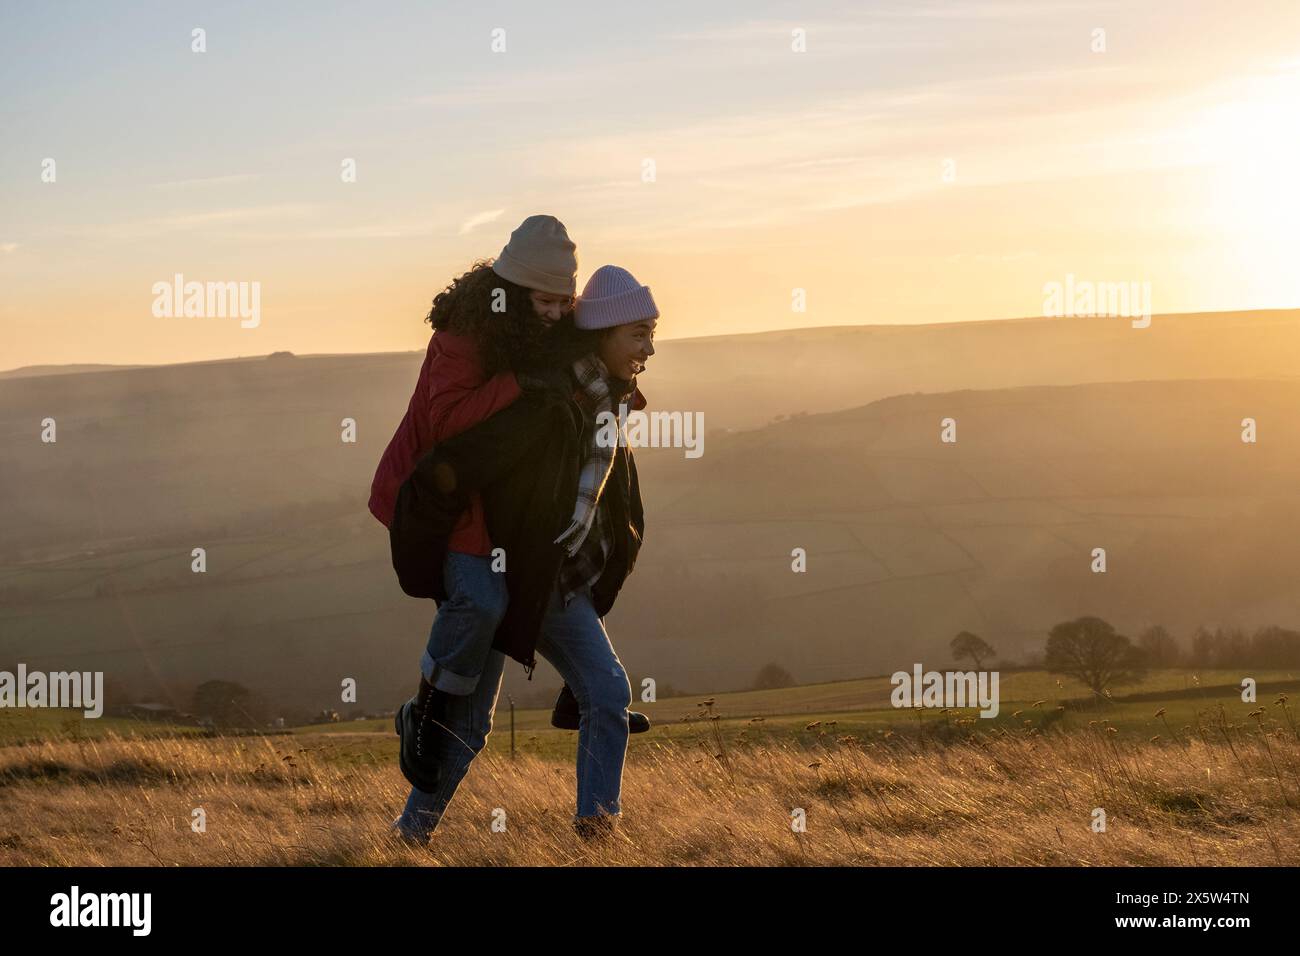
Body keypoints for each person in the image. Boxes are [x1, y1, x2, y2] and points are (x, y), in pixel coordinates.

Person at [388, 265, 658, 845]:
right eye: (638, 333)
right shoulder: (547, 398)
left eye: (651, 332)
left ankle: (592, 834)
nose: (649, 348)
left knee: (596, 696)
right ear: (604, 333)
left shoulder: (606, 399)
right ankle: (415, 834)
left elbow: (611, 499)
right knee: (481, 723)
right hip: (526, 575)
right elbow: (469, 465)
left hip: (555, 580)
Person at [370, 214, 583, 795]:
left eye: (565, 302)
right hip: (438, 488)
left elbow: (597, 353)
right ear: (512, 292)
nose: (556, 312)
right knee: (481, 600)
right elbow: (446, 423)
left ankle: (588, 693)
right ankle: (425, 714)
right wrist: (520, 381)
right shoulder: (464, 336)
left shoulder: (547, 323)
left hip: (491, 490)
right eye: (545, 300)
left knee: (549, 581)